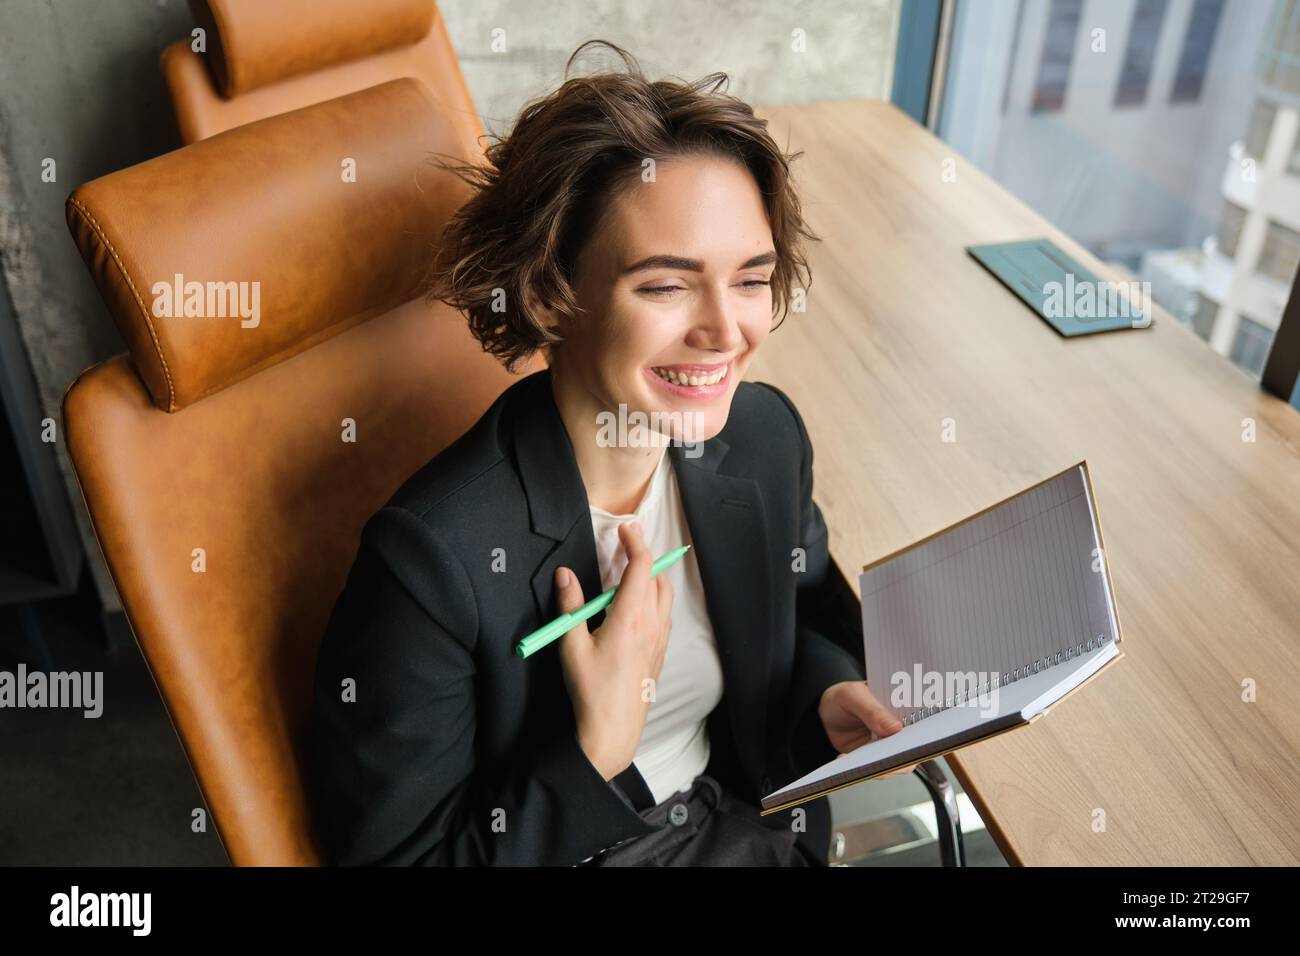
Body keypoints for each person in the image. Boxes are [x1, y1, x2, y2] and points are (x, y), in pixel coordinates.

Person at [309, 38, 907, 867]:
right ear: (550, 292)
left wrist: (826, 694)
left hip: (736, 830)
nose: (726, 330)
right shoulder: (431, 563)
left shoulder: (764, 439)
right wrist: (594, 751)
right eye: (665, 285)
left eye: (750, 279)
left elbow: (799, 614)